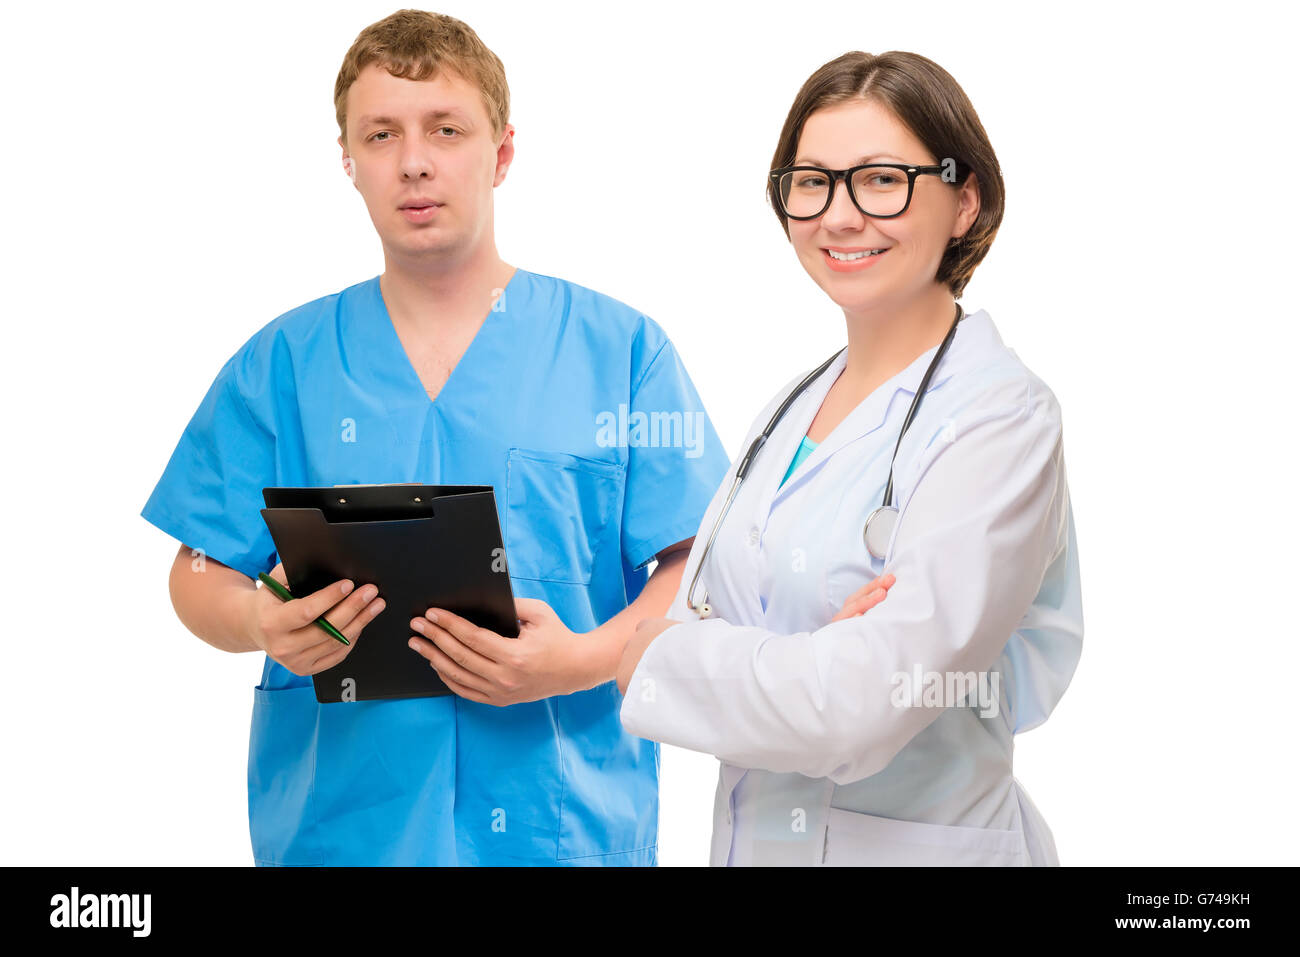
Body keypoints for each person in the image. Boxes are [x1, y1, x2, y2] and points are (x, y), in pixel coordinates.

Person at [140, 9, 730, 866]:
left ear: (502, 152)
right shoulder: (283, 364)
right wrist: (260, 620)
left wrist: (581, 659)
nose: (414, 160)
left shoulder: (622, 351)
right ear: (347, 161)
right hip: (342, 831)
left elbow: (698, 570)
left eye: (446, 129)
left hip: (562, 832)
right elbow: (196, 572)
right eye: (380, 134)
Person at [616, 51, 1084, 867]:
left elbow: (860, 704)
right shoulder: (788, 408)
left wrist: (647, 659)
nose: (837, 216)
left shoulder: (1002, 418)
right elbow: (705, 620)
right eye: (811, 181)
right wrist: (799, 661)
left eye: (880, 180)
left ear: (965, 199)